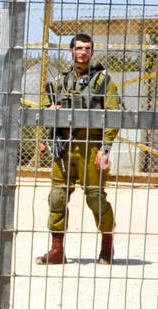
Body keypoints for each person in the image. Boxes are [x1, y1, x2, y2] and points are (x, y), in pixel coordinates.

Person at [36, 32, 122, 265]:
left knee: (95, 198)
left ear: (91, 52)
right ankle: (57, 249)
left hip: (91, 147)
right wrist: (50, 111)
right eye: (79, 48)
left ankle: (107, 245)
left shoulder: (104, 81)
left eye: (87, 48)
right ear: (71, 51)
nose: (83, 52)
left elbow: (113, 115)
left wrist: (105, 148)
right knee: (56, 197)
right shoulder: (60, 82)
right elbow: (43, 109)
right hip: (63, 147)